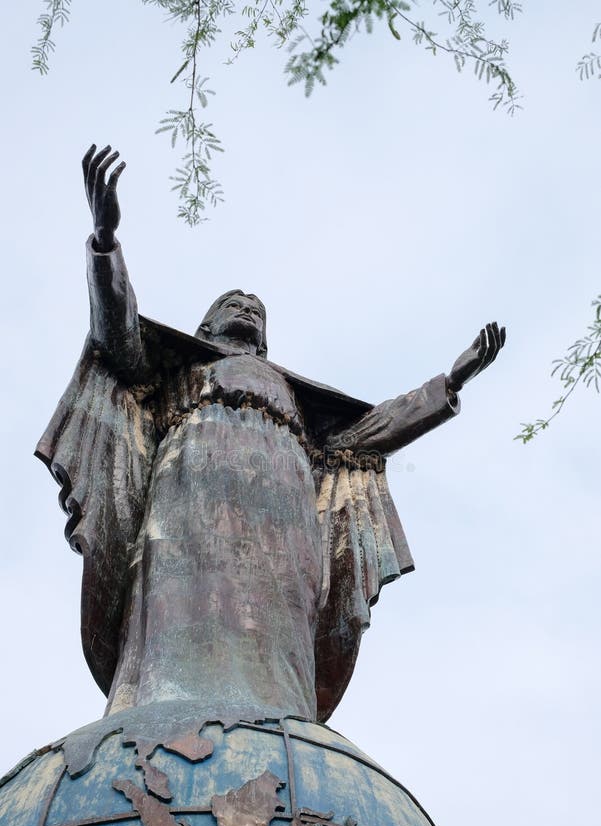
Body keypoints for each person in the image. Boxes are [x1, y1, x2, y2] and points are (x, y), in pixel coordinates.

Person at [36, 145, 505, 728]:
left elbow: (372, 431)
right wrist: (104, 241)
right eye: (235, 303)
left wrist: (448, 383)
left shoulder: (297, 402)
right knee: (181, 608)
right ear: (207, 325)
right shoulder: (184, 372)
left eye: (258, 309)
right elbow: (117, 334)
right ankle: (163, 710)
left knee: (279, 625)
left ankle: (284, 717)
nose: (249, 309)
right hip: (189, 501)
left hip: (284, 519)